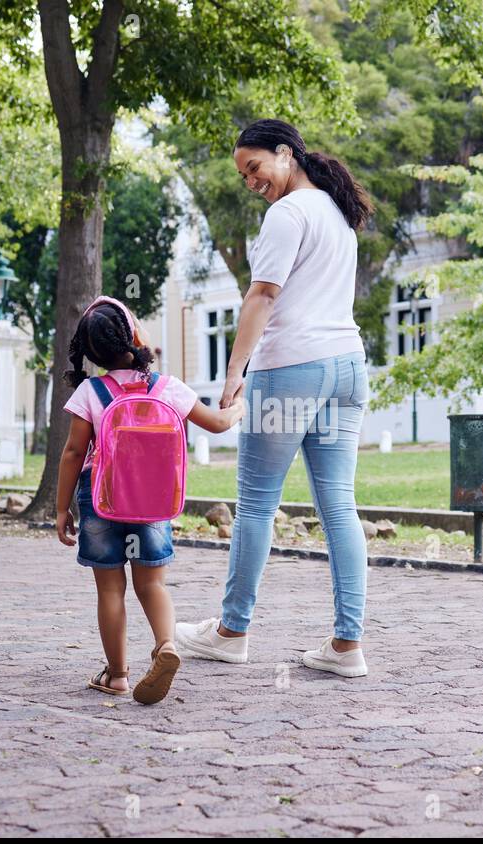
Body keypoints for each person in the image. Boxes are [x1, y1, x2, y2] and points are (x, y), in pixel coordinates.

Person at [174, 118, 374, 677]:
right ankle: (346, 646)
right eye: (243, 175)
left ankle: (231, 631)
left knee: (258, 503)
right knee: (340, 506)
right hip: (346, 371)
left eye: (254, 167)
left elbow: (262, 295)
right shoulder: (337, 214)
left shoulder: (288, 215)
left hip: (291, 370)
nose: (250, 181)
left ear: (286, 154)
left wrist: (234, 372)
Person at [55, 296, 244, 704]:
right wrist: (239, 407)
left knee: (110, 589)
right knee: (152, 582)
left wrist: (60, 508)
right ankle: (166, 645)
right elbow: (216, 423)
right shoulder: (167, 387)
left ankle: (117, 675)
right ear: (134, 336)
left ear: (90, 352)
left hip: (102, 501)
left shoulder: (91, 392)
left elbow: (73, 453)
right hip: (152, 503)